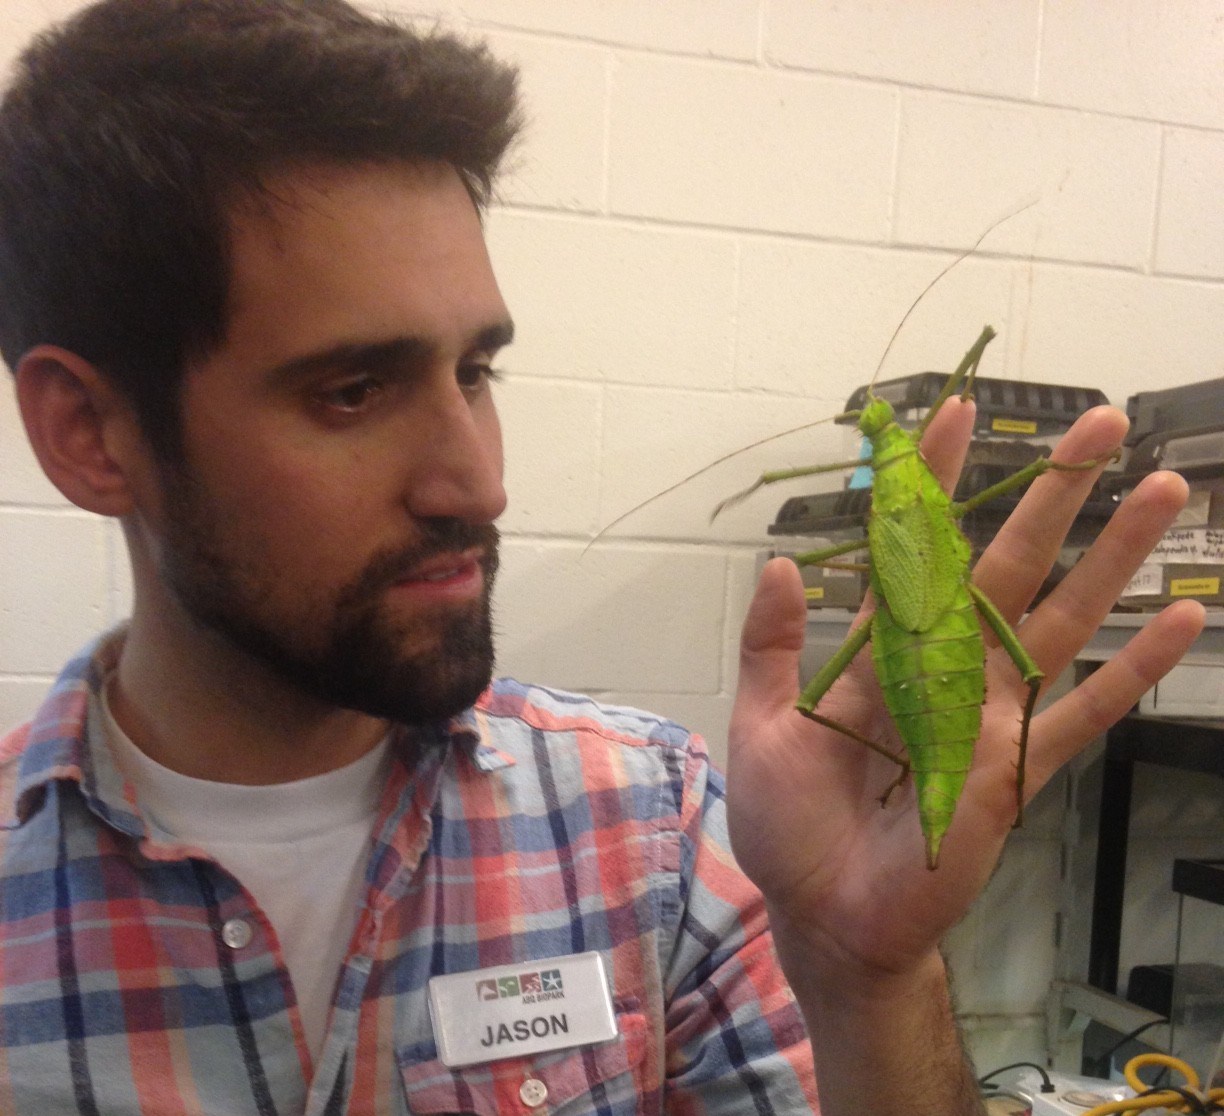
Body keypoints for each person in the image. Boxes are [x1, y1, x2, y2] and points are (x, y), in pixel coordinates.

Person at [0, 1, 1204, 1113]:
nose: (480, 482)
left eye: (477, 372)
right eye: (353, 391)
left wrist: (867, 984)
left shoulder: (658, 829)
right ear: (89, 435)